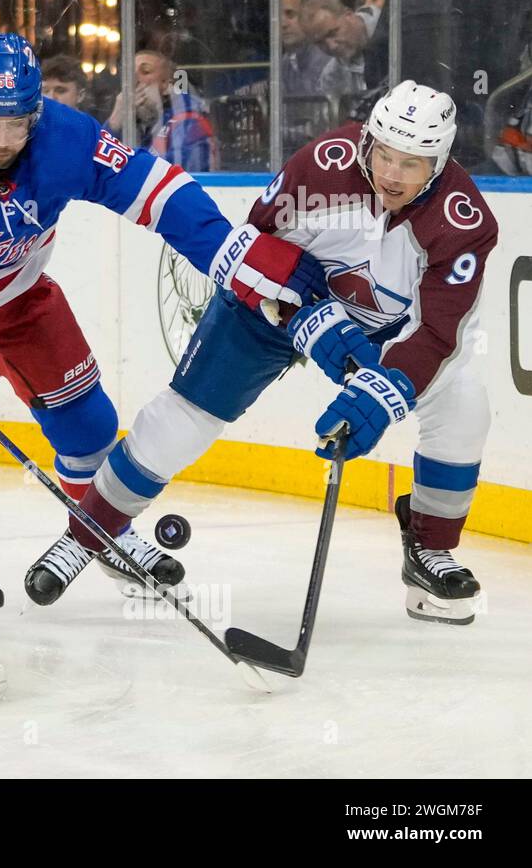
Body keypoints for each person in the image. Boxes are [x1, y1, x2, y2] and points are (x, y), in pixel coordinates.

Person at [0, 32, 324, 632]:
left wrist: (231, 251)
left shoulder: (67, 137)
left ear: (37, 112)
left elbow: (158, 191)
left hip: (16, 290)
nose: (1, 140)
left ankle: (105, 532)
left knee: (89, 422)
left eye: (16, 123)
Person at [29, 81, 496, 628]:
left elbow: (439, 333)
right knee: (184, 418)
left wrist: (382, 393)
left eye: (411, 164)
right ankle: (88, 535)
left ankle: (429, 549)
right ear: (368, 140)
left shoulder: (464, 224)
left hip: (382, 332)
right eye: (384, 155)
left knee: (464, 404)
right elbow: (252, 247)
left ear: (439, 164)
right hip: (277, 304)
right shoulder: (323, 167)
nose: (391, 174)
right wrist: (304, 316)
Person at [105, 51, 216, 171]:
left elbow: (176, 178)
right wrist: (115, 122)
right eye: (129, 74)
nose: (134, 80)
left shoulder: (189, 121)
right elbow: (93, 167)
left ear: (165, 83)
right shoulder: (137, 123)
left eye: (145, 71)